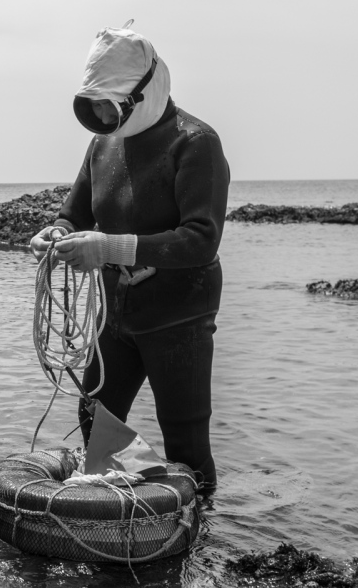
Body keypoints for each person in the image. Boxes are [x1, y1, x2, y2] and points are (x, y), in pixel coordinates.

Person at [29, 24, 229, 490]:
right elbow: (73, 214)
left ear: (147, 90)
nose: (102, 114)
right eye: (94, 104)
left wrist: (110, 247)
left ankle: (199, 542)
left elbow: (202, 239)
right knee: (93, 413)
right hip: (116, 313)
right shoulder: (103, 142)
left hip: (179, 315)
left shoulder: (196, 142)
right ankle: (133, 505)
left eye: (110, 103)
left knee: (184, 435)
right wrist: (54, 234)